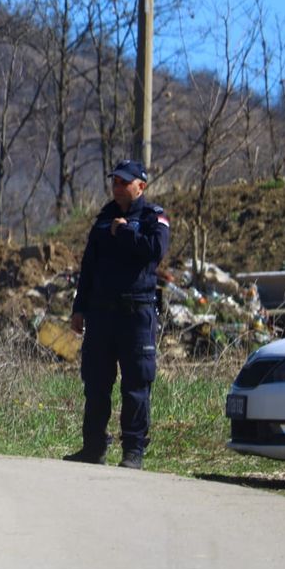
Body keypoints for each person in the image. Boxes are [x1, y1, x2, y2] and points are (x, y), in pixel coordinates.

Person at [64, 159, 169, 470]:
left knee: (136, 384)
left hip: (136, 313)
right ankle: (93, 448)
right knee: (96, 383)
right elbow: (89, 269)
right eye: (115, 181)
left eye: (125, 182)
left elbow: (154, 252)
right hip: (101, 315)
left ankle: (133, 452)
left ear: (141, 186)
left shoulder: (154, 218)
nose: (118, 187)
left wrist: (123, 234)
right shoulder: (102, 219)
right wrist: (79, 308)